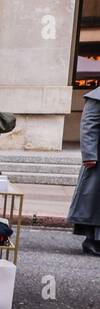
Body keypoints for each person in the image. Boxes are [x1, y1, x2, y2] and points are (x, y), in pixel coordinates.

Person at [68, 85, 100, 256]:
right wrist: (89, 155)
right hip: (98, 161)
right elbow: (88, 126)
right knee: (95, 204)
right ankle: (93, 241)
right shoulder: (96, 97)